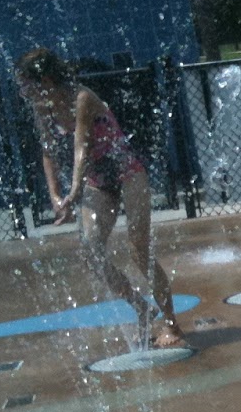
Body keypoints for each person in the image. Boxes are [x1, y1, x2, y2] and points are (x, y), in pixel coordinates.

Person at [15, 47, 185, 348]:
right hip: (98, 182)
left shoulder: (82, 98)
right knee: (91, 253)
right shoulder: (44, 109)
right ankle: (140, 307)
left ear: (46, 80)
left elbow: (81, 144)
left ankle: (172, 324)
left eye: (28, 85)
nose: (24, 92)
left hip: (127, 172)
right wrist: (54, 195)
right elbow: (48, 152)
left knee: (139, 248)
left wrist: (74, 190)